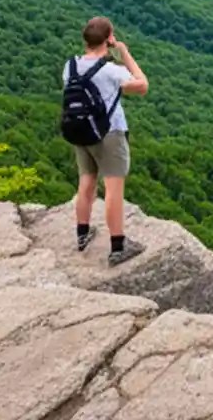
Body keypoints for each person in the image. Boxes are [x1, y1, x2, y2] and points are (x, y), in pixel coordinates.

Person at [65, 16, 149, 266]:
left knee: (86, 181)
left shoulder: (70, 66)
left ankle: (82, 235)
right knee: (113, 188)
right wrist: (124, 51)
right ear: (109, 38)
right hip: (110, 134)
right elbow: (143, 85)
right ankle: (117, 247)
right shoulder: (111, 70)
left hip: (80, 130)